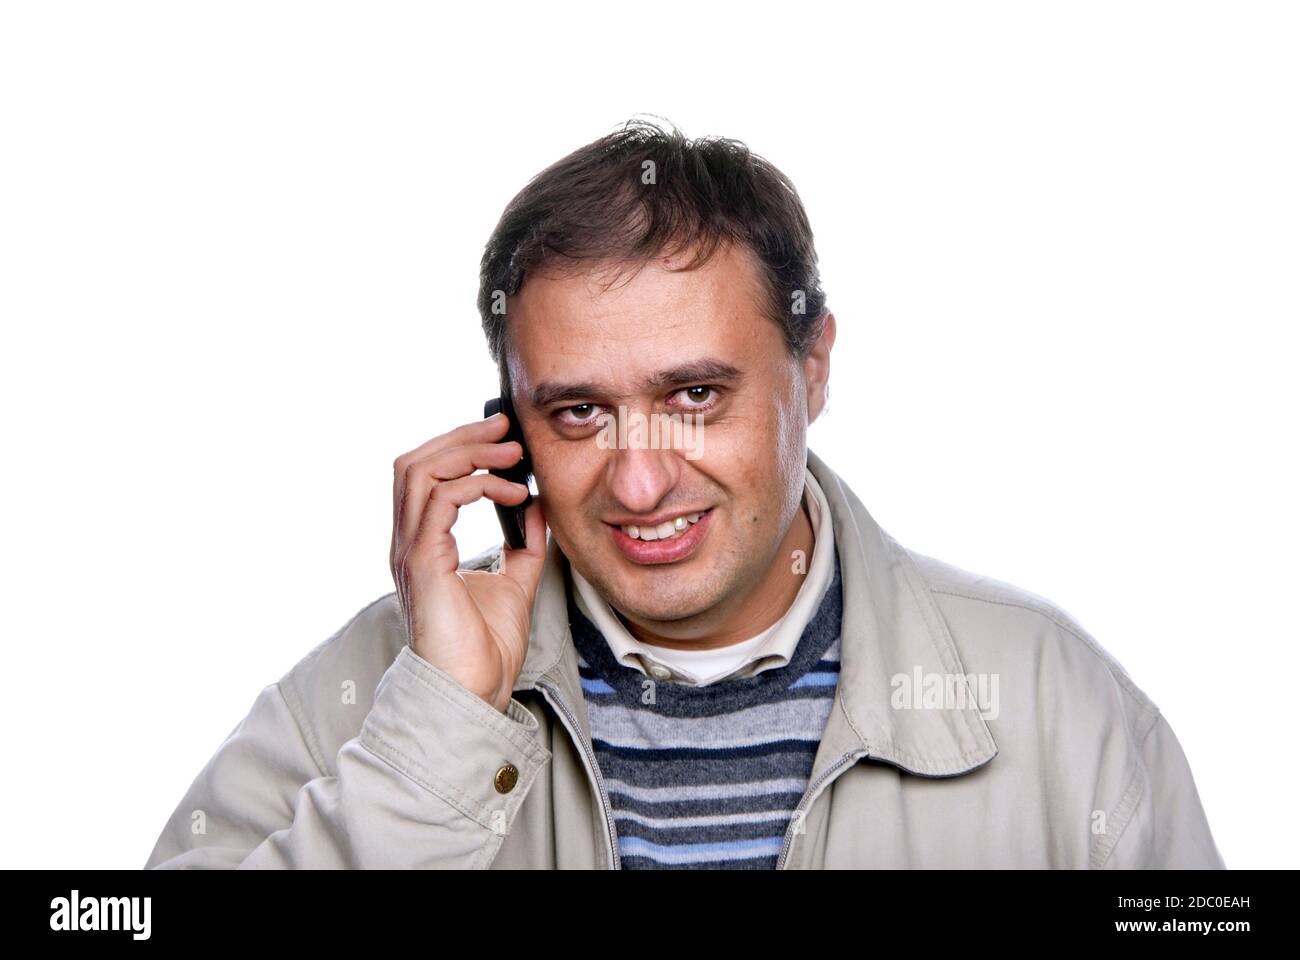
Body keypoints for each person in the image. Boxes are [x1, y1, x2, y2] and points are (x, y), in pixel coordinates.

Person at [145, 119, 1225, 869]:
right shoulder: (379, 692)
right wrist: (438, 731)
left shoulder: (1053, 703)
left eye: (696, 393)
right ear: (504, 428)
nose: (641, 475)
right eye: (576, 413)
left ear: (813, 369)